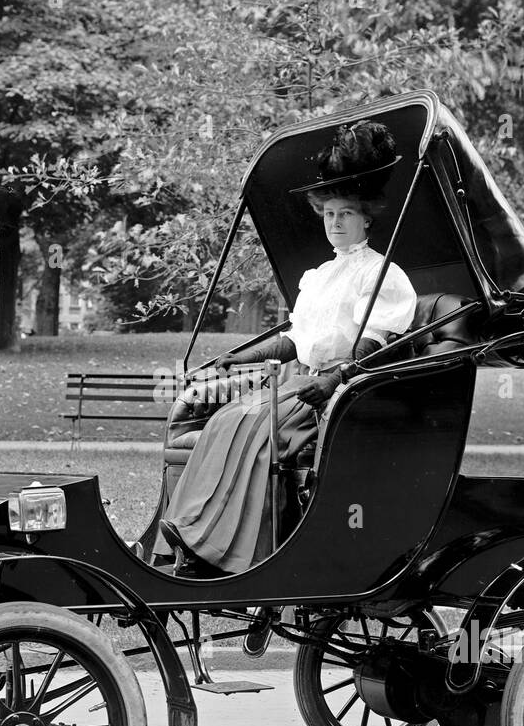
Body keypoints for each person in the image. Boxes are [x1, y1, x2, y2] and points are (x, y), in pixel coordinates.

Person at [154, 119, 417, 579]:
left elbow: (376, 344)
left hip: (335, 393)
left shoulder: (381, 275)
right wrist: (245, 356)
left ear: (367, 218)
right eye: (330, 213)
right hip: (297, 384)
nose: (335, 222)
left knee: (255, 434)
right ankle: (190, 532)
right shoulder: (318, 276)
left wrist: (333, 378)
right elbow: (296, 337)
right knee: (224, 417)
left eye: (346, 214)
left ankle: (222, 551)